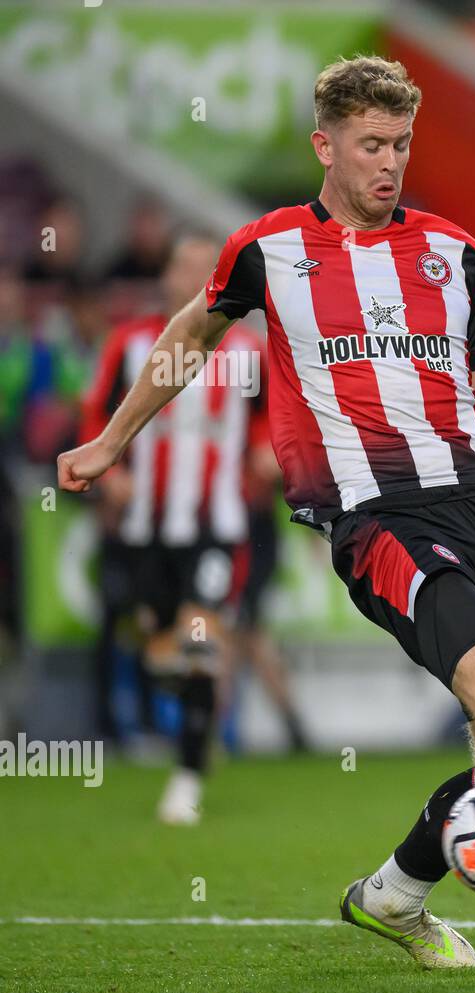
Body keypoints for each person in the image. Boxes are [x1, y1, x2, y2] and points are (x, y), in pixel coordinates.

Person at [57, 55, 475, 982]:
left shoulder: (456, 254)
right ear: (324, 145)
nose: (390, 163)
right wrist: (110, 440)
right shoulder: (267, 251)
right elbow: (189, 338)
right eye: (371, 145)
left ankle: (391, 894)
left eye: (402, 145)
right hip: (375, 518)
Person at [76, 234, 264, 823]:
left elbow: (269, 421)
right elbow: (95, 412)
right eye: (179, 264)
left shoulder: (246, 350)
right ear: (165, 271)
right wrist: (111, 477)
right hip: (144, 528)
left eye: (200, 267)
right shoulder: (130, 344)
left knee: (199, 641)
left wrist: (268, 458)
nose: (187, 275)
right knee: (161, 654)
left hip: (214, 527)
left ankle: (185, 780)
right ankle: (199, 719)